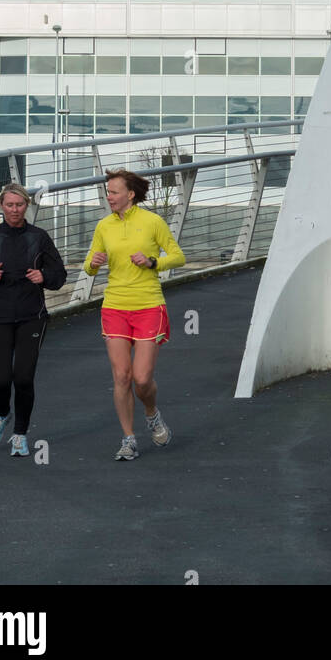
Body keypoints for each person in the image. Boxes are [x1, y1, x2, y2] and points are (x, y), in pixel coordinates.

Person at [83, 168, 186, 460]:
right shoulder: (104, 226)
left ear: (130, 194)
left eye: (114, 192)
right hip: (115, 305)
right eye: (108, 191)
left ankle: (152, 413)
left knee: (141, 379)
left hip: (148, 305)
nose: (109, 196)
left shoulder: (152, 222)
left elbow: (178, 256)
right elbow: (88, 266)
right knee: (121, 376)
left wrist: (153, 262)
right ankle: (128, 439)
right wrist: (94, 262)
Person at [0, 183, 67, 457]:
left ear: (27, 206)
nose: (14, 210)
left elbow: (59, 275)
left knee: (23, 378)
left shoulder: (39, 237)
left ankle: (20, 434)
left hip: (31, 317)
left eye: (19, 205)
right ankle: (2, 414)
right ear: (1, 206)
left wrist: (43, 277)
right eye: (9, 205)